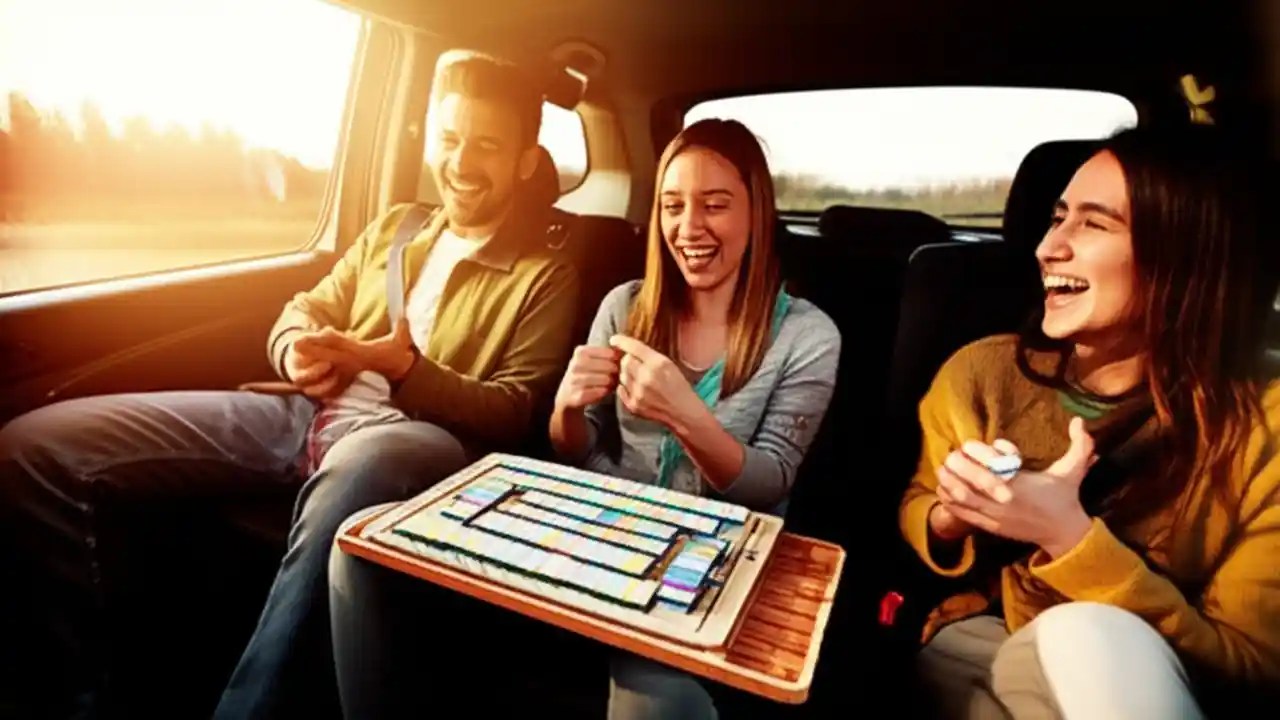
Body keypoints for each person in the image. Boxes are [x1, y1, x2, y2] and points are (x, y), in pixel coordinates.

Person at [0, 49, 580, 720]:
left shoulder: (546, 273)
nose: (460, 162)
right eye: (450, 139)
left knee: (374, 456)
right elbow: (304, 308)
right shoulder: (399, 224)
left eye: (486, 145)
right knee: (36, 449)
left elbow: (515, 410)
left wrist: (404, 370)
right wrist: (295, 351)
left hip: (416, 440)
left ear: (525, 160)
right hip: (302, 413)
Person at [326, 118, 842, 719]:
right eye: (672, 206)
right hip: (593, 532)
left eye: (716, 205)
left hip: (705, 562)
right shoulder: (624, 305)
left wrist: (685, 415)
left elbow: (770, 483)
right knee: (361, 548)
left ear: (757, 213)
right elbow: (577, 451)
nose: (689, 227)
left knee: (660, 690)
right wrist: (566, 413)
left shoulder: (807, 334)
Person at [900, 122, 1280, 719]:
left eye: (1094, 223)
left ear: (1185, 256)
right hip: (989, 641)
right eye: (1057, 218)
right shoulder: (983, 374)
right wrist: (952, 514)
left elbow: (1250, 672)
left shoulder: (1264, 432)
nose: (1047, 248)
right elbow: (920, 504)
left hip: (1165, 683)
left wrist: (1069, 538)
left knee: (1086, 636)